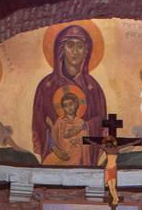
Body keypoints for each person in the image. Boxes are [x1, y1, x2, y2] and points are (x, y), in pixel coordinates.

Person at [32, 24, 107, 165]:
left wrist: (85, 126)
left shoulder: (93, 88)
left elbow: (102, 121)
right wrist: (55, 147)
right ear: (62, 49)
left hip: (84, 156)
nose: (75, 51)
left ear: (86, 51)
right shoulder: (47, 86)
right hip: (56, 156)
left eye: (80, 46)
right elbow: (40, 124)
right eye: (70, 45)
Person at [43, 91, 88, 166]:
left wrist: (78, 140)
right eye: (65, 105)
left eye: (71, 104)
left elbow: (84, 138)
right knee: (47, 162)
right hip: (61, 152)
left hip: (74, 153)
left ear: (76, 104)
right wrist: (51, 126)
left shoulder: (80, 122)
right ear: (63, 108)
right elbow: (54, 137)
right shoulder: (60, 121)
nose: (69, 107)